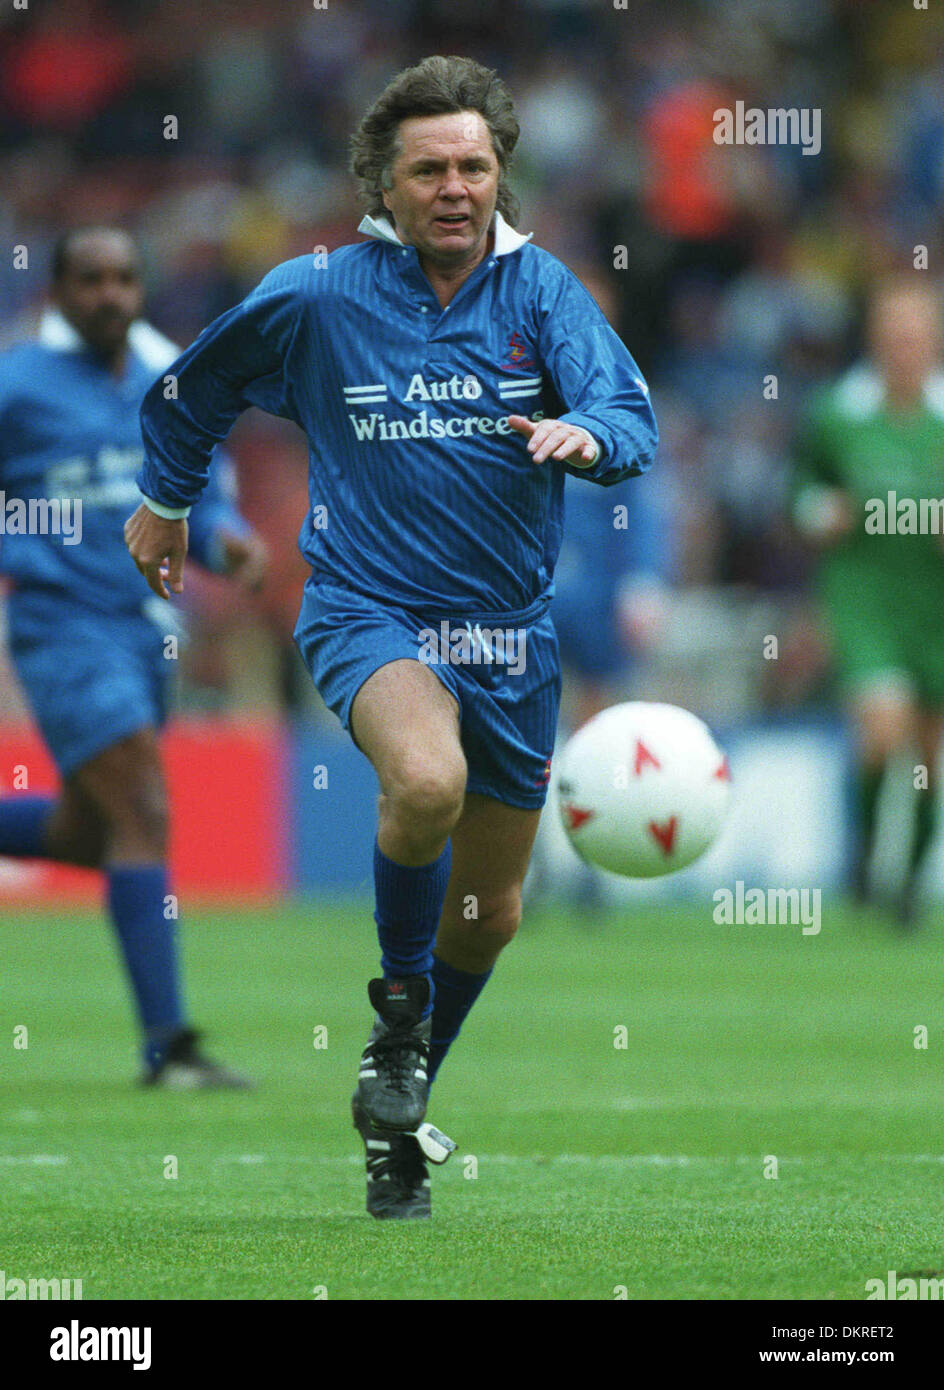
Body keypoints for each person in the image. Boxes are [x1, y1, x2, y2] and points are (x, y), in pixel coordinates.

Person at [125, 56, 658, 1217]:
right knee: (424, 782)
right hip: (368, 610)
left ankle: (397, 1105)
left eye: (475, 165)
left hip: (509, 637)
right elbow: (185, 390)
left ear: (500, 173)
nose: (456, 187)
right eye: (430, 169)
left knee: (493, 913)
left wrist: (586, 438)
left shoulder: (542, 294)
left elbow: (629, 412)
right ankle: (399, 1020)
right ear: (381, 180)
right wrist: (166, 501)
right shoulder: (317, 293)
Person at [0, 227, 268, 1084]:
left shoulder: (167, 382)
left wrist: (228, 543)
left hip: (149, 633)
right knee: (144, 807)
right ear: (59, 291)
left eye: (124, 277)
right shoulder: (16, 387)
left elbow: (201, 498)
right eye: (90, 280)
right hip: (63, 626)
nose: (109, 294)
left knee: (95, 828)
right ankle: (171, 1048)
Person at [794, 277, 944, 925]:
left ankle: (907, 886)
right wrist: (820, 512)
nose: (905, 345)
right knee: (883, 732)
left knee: (930, 755)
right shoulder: (837, 414)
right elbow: (799, 490)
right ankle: (860, 858)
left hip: (933, 603)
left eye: (916, 334)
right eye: (894, 332)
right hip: (864, 599)